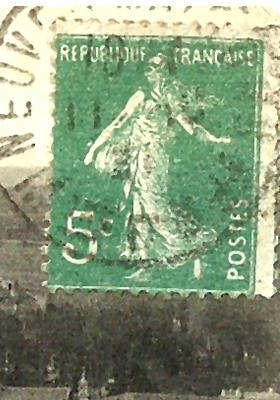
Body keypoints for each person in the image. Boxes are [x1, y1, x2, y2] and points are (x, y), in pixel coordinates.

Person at [85, 52, 230, 267]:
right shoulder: (142, 96)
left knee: (154, 206)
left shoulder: (167, 95)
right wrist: (94, 149)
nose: (154, 72)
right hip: (138, 155)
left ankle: (185, 245)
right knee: (137, 204)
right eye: (152, 67)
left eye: (159, 67)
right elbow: (118, 124)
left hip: (153, 158)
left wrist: (214, 139)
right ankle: (141, 256)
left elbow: (189, 126)